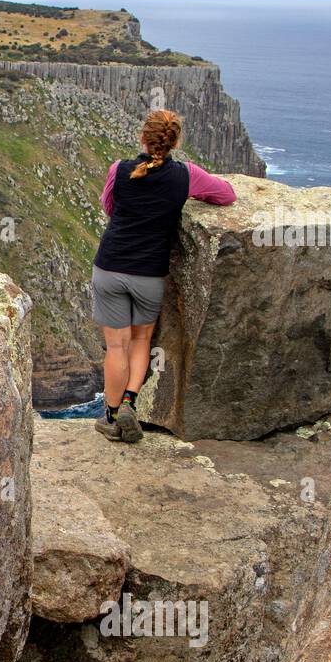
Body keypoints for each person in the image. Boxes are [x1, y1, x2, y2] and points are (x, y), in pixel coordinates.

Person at [92, 109, 236, 443]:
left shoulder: (120, 169)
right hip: (149, 273)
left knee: (116, 346)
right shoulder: (187, 175)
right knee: (141, 341)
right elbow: (227, 195)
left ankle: (112, 418)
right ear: (174, 142)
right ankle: (130, 401)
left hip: (111, 266)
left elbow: (109, 207)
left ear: (143, 137)